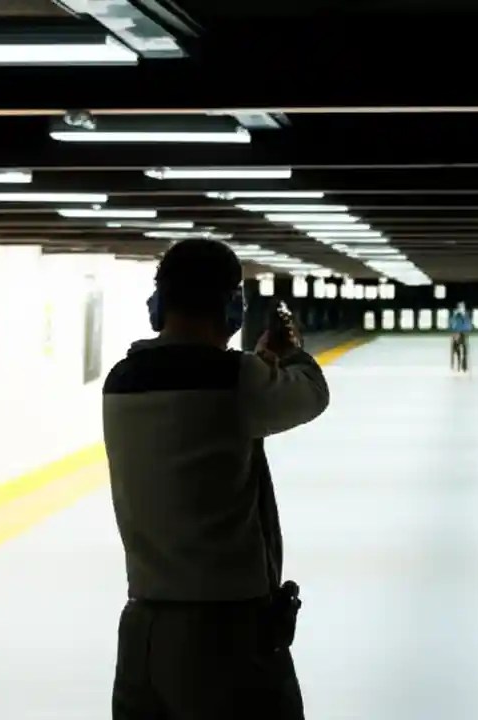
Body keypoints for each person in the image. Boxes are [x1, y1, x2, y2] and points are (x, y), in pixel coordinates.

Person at [102, 238, 329, 720]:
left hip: (142, 631)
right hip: (225, 634)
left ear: (157, 306)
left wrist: (256, 365)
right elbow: (310, 395)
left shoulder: (121, 381)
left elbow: (203, 404)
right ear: (233, 308)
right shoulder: (236, 379)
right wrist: (288, 355)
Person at [449, 302, 473, 373]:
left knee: (465, 351)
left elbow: (468, 326)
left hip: (463, 333)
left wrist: (463, 316)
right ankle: (455, 365)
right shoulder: (455, 315)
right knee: (455, 350)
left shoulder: (466, 315)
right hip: (456, 333)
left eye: (462, 307)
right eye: (460, 307)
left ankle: (464, 366)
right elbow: (451, 324)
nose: (461, 308)